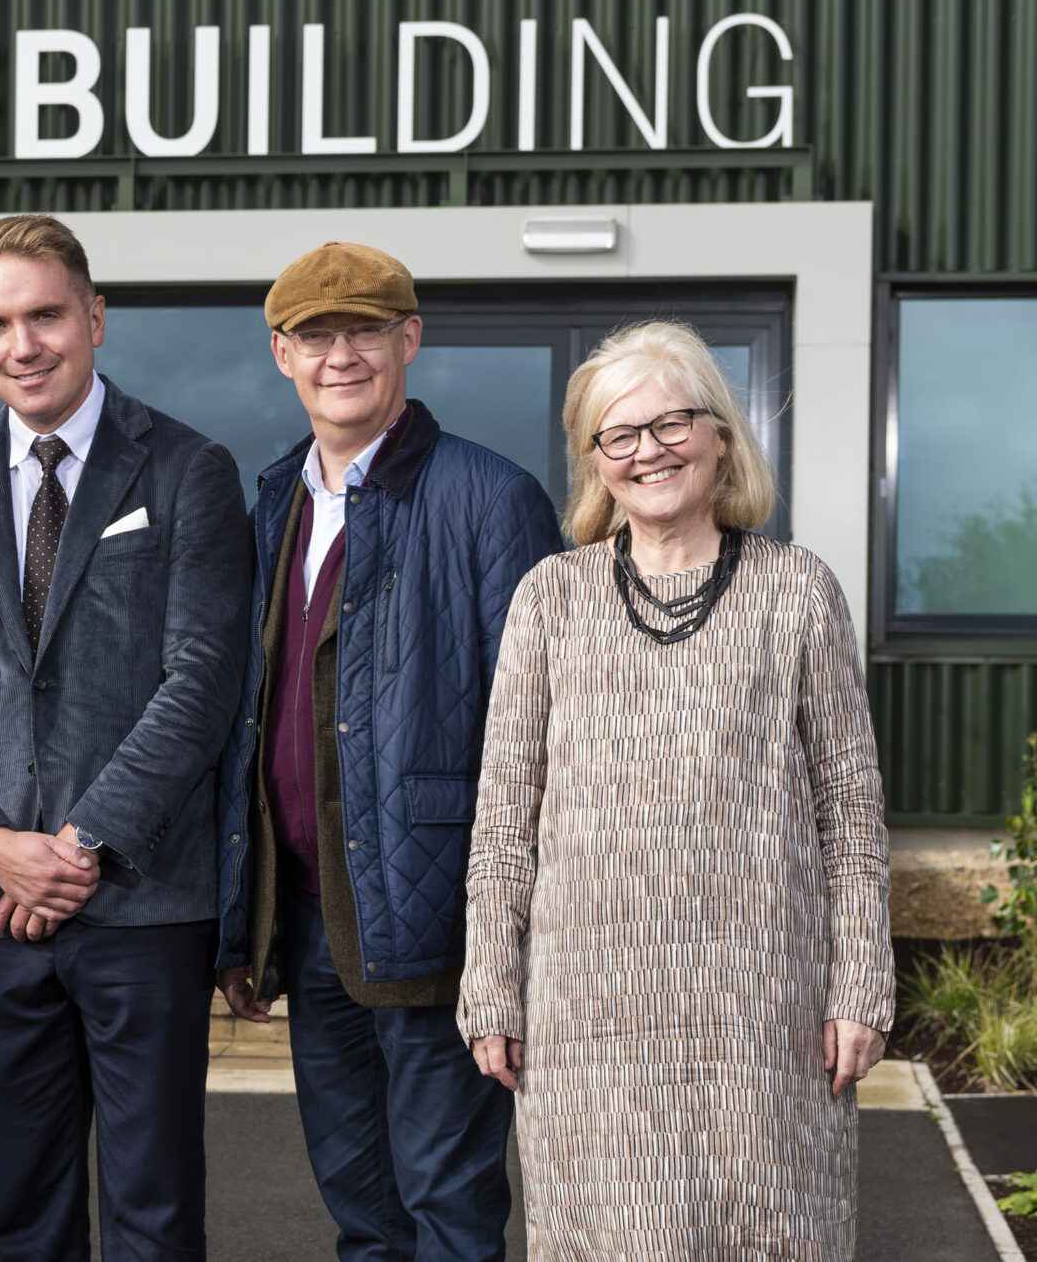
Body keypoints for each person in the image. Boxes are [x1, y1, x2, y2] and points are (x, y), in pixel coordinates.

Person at [457, 320, 895, 1259]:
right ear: (594, 460)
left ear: (721, 435)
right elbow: (504, 819)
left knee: (768, 1229)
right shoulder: (550, 597)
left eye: (672, 422)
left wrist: (861, 980)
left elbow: (850, 812)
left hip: (764, 1005)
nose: (649, 450)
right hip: (588, 1012)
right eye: (620, 433)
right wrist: (490, 980)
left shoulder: (798, 592)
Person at [0, 214, 251, 1262]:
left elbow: (201, 681)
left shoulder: (186, 470)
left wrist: (81, 843)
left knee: (153, 1208)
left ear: (94, 316)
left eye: (43, 314)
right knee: (24, 1216)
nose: (21, 344)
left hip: (138, 900)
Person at [213, 241, 562, 1261]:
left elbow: (535, 727)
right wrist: (247, 921)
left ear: (408, 339)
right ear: (280, 353)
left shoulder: (490, 497)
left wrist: (508, 938)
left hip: (432, 916)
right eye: (314, 336)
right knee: (358, 1202)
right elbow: (252, 709)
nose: (339, 355)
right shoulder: (275, 497)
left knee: (447, 1206)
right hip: (311, 914)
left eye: (363, 329)